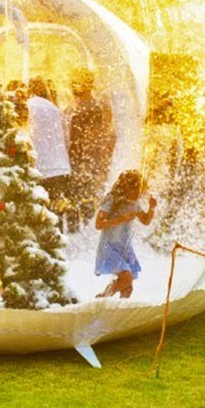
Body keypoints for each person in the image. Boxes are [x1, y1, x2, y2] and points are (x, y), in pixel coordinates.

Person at [66, 67, 116, 229]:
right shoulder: (80, 106)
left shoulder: (92, 108)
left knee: (82, 202)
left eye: (75, 83)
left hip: (84, 161)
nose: (72, 86)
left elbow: (96, 138)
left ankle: (82, 237)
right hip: (79, 160)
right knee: (77, 202)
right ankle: (78, 234)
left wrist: (94, 164)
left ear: (84, 85)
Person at [94, 169, 156, 299]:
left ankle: (119, 308)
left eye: (142, 191)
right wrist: (122, 218)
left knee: (128, 286)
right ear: (127, 187)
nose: (140, 194)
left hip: (125, 247)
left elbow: (145, 221)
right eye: (138, 190)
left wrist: (151, 208)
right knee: (126, 277)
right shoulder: (112, 200)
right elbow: (99, 224)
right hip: (109, 247)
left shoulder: (134, 203)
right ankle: (104, 297)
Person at [25, 77, 71, 212]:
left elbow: (28, 135)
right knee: (57, 211)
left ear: (30, 89)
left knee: (41, 214)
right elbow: (66, 137)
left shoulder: (28, 106)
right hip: (60, 167)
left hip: (41, 167)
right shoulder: (54, 109)